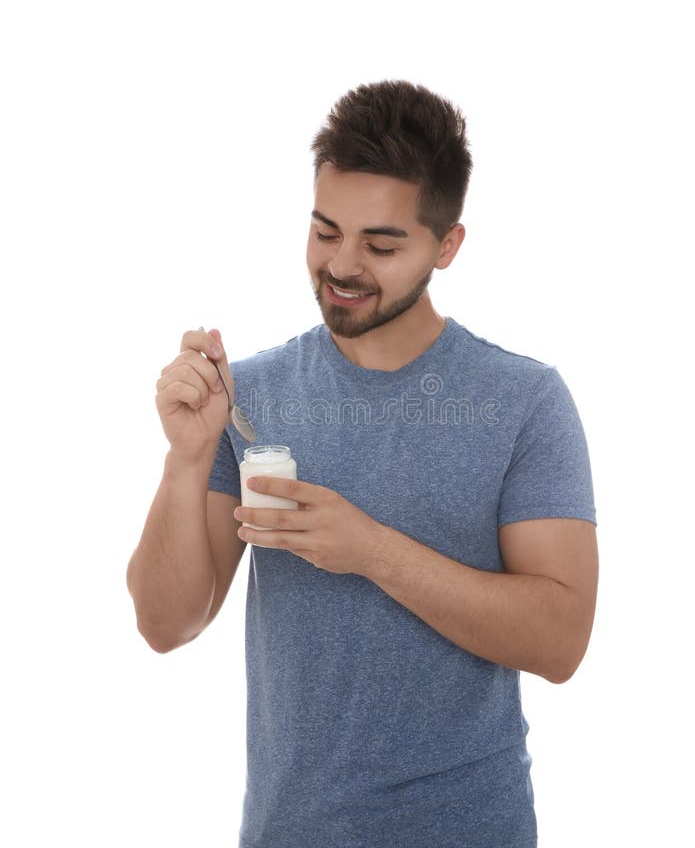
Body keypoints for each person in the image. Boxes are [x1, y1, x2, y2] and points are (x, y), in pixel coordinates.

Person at [127, 80, 598, 847]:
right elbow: (165, 624)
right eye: (324, 231)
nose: (342, 265)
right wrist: (186, 462)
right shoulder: (251, 396)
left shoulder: (525, 401)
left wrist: (372, 551)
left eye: (381, 246)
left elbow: (562, 641)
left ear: (447, 247)